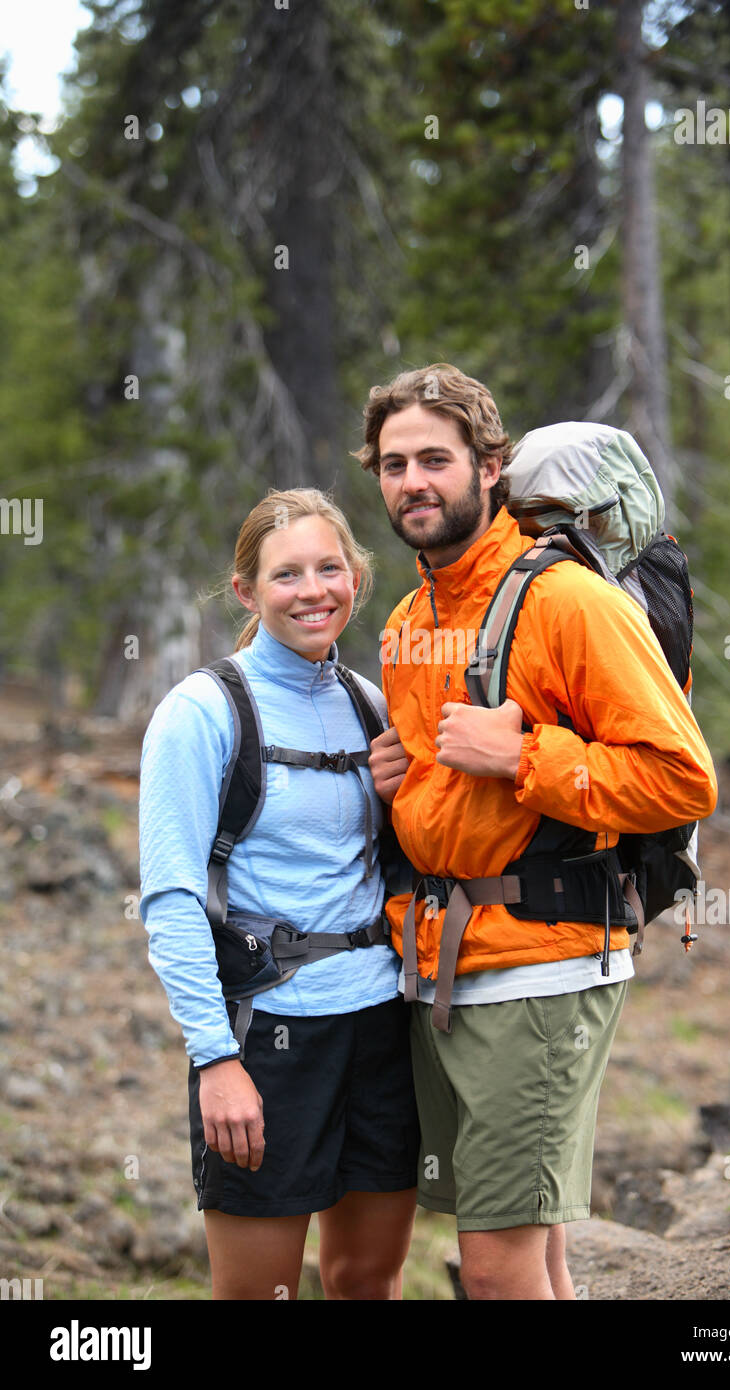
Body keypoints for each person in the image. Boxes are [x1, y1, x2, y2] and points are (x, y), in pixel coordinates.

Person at [359, 364, 718, 1301]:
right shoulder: (406, 622)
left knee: (496, 1264)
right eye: (393, 465)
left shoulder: (570, 603)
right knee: (536, 1253)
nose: (412, 483)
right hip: (444, 965)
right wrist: (392, 787)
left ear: (490, 468)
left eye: (434, 459)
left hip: (546, 961)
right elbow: (446, 803)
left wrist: (527, 758)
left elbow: (682, 777)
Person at [139, 487, 419, 1301]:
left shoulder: (373, 703)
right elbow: (171, 900)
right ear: (247, 591)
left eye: (329, 568)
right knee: (260, 1293)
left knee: (368, 1278)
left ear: (356, 579)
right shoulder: (202, 711)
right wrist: (215, 1057)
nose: (312, 591)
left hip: (380, 1027)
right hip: (265, 1037)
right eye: (287, 574)